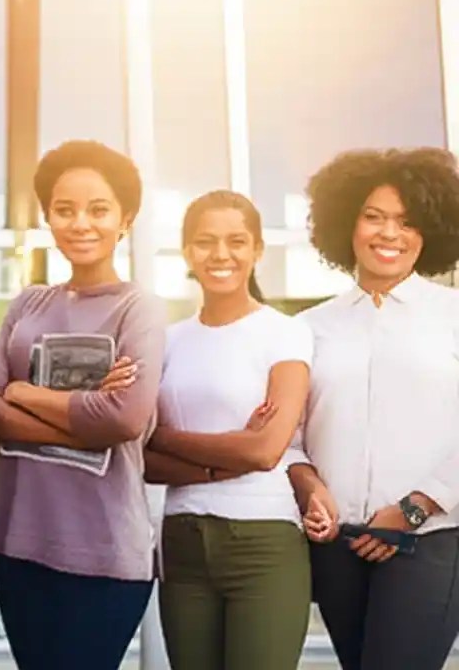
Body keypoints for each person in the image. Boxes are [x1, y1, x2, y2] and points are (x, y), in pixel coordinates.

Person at [0, 140, 165, 670]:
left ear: (125, 219)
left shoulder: (137, 308)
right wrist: (84, 416)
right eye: (64, 209)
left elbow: (124, 418)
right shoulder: (29, 303)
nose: (81, 223)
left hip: (103, 554)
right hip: (19, 541)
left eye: (98, 210)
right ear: (47, 217)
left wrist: (26, 392)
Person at [287, 147, 459, 670]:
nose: (390, 234)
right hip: (339, 545)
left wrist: (412, 510)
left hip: (428, 542)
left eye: (407, 222)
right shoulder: (311, 327)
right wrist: (311, 488)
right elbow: (289, 435)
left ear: (431, 229)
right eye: (374, 217)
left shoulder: (453, 317)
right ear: (347, 224)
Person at [143, 190, 312, 669]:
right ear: (187, 252)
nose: (221, 254)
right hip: (182, 541)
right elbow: (143, 460)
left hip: (263, 541)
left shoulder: (285, 332)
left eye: (237, 241)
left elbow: (264, 450)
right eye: (205, 241)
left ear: (257, 250)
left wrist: (167, 437)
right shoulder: (169, 341)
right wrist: (222, 461)